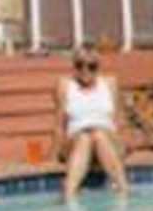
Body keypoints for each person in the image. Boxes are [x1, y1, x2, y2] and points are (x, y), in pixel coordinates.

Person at [54, 43, 130, 199]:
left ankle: (123, 189)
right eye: (79, 65)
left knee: (98, 134)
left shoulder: (109, 83)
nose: (85, 71)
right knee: (85, 137)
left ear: (98, 66)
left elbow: (118, 119)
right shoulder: (65, 85)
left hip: (106, 139)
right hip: (76, 141)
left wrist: (122, 145)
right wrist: (57, 151)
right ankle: (69, 194)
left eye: (91, 66)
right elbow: (59, 123)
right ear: (74, 66)